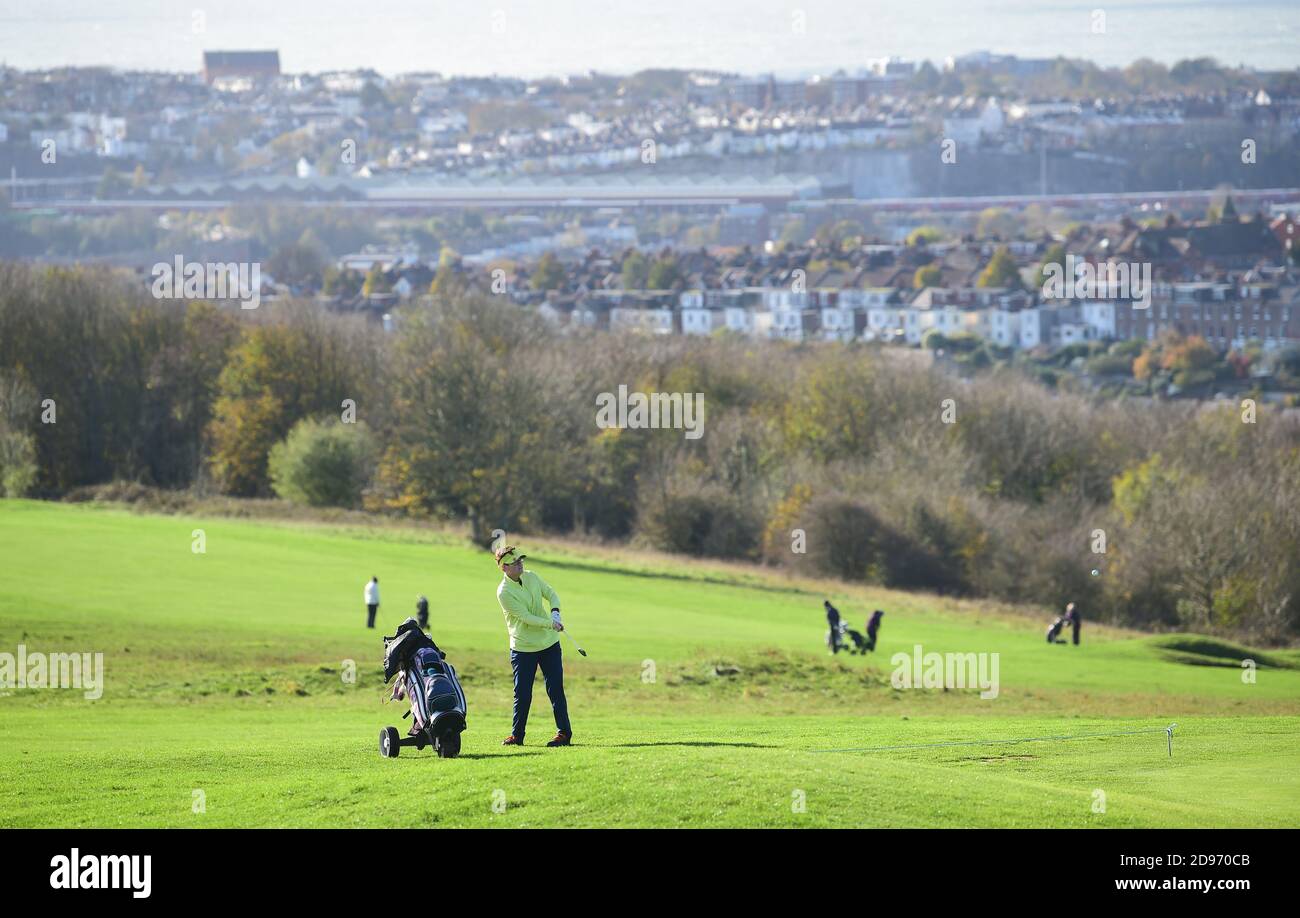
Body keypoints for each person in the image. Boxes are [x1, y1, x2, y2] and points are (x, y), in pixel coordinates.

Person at [494, 545, 572, 747]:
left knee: (555, 690)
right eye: (515, 562)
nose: (520, 564)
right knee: (522, 693)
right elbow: (526, 618)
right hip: (523, 648)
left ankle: (564, 734)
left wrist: (555, 612)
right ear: (504, 568)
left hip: (549, 644)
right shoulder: (504, 592)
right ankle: (517, 736)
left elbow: (551, 593)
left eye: (521, 560)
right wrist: (550, 623)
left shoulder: (532, 577)